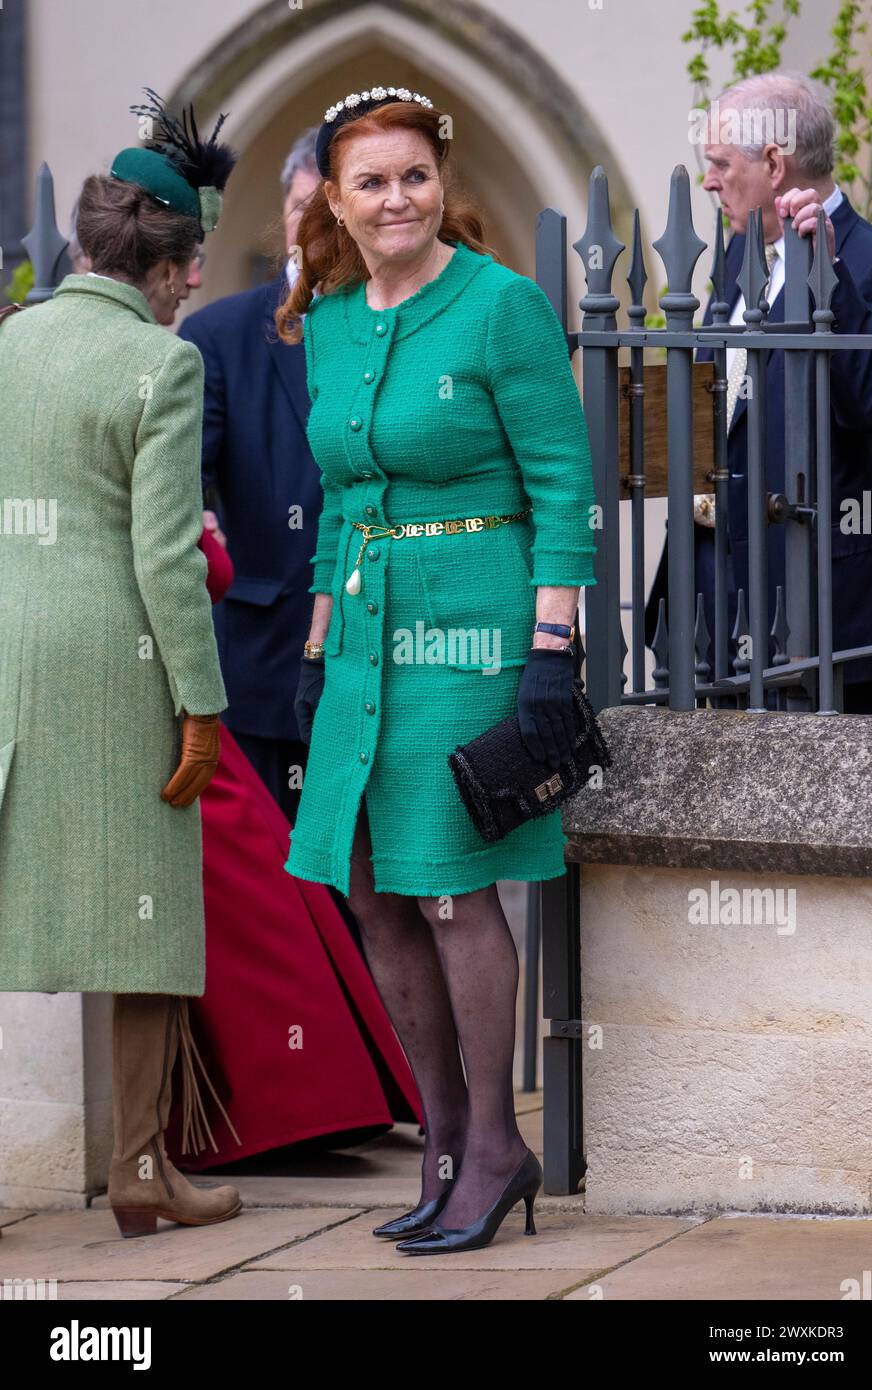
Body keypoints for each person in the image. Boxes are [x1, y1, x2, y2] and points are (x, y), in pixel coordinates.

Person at [278, 85, 598, 1253]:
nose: (397, 197)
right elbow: (340, 503)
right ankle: (449, 1137)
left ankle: (500, 1144)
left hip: (474, 630)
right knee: (370, 886)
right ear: (337, 200)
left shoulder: (501, 307)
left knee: (452, 884)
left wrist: (551, 651)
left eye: (415, 175)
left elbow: (565, 486)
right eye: (373, 181)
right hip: (362, 636)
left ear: (442, 185)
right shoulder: (334, 323)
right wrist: (315, 652)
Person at [0, 88, 242, 1238]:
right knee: (144, 921)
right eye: (191, 261)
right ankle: (141, 1170)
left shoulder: (14, 338)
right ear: (169, 262)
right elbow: (166, 556)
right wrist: (200, 701)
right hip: (114, 661)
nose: (196, 282)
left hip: (8, 652)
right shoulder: (162, 363)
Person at [162, 519, 425, 1169]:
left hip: (160, 703)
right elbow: (208, 573)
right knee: (261, 887)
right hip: (176, 712)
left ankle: (309, 1102)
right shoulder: (144, 431)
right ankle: (302, 1105)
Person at [647, 72, 872, 711]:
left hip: (824, 618)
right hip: (718, 606)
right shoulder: (735, 258)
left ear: (775, 163)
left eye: (721, 164)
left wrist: (828, 275)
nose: (708, 181)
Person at [177, 128, 322, 826]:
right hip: (268, 660)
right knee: (289, 903)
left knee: (396, 898)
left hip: (399, 660)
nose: (314, 223)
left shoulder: (417, 326)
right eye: (302, 206)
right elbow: (178, 491)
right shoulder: (219, 337)